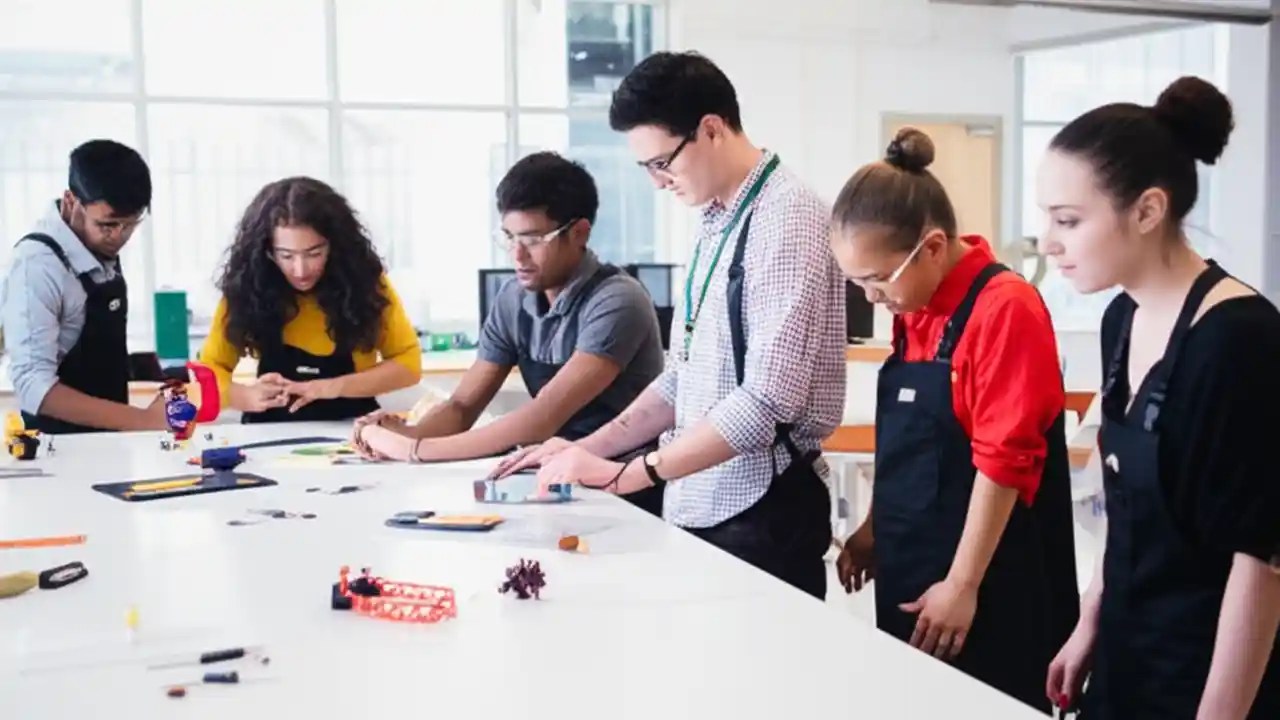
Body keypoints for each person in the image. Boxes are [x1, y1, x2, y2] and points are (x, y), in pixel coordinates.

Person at [491, 51, 847, 600]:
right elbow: (682, 376)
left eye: (663, 162)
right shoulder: (716, 219)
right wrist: (587, 448)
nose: (657, 182)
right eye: (646, 168)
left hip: (762, 509)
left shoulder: (787, 218)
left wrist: (628, 475)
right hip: (701, 499)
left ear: (711, 129)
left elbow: (767, 401)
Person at [1040, 76, 1280, 719]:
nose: (1047, 242)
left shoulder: (1241, 340)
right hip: (1127, 651)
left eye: (1068, 220)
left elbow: (1260, 562)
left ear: (1146, 210)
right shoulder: (1123, 317)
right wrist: (1091, 617)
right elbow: (1123, 506)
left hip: (1208, 673)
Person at [829, 128, 1079, 713]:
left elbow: (1003, 461)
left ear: (933, 247)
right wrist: (874, 528)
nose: (871, 298)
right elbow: (912, 450)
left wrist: (962, 586)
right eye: (858, 282)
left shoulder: (1005, 308)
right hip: (914, 567)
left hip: (990, 582)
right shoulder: (914, 307)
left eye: (878, 279)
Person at [351, 152, 666, 514]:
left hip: (625, 488)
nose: (517, 255)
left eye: (533, 239)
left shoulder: (618, 300)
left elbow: (542, 418)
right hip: (555, 480)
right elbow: (463, 406)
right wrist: (400, 434)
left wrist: (415, 450)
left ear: (579, 233)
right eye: (508, 237)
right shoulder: (512, 298)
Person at [198, 176, 421, 423]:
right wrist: (243, 395)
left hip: (352, 434)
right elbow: (207, 372)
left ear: (335, 246)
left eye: (314, 253)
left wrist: (331, 387)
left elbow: (408, 365)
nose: (300, 270)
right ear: (267, 252)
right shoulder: (246, 289)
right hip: (268, 434)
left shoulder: (366, 284)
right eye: (286, 255)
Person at [0, 139, 168, 434]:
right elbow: (32, 385)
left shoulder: (98, 250)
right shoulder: (36, 266)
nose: (119, 236)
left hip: (112, 442)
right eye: (107, 225)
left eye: (130, 225)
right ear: (70, 201)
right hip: (60, 449)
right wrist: (142, 420)